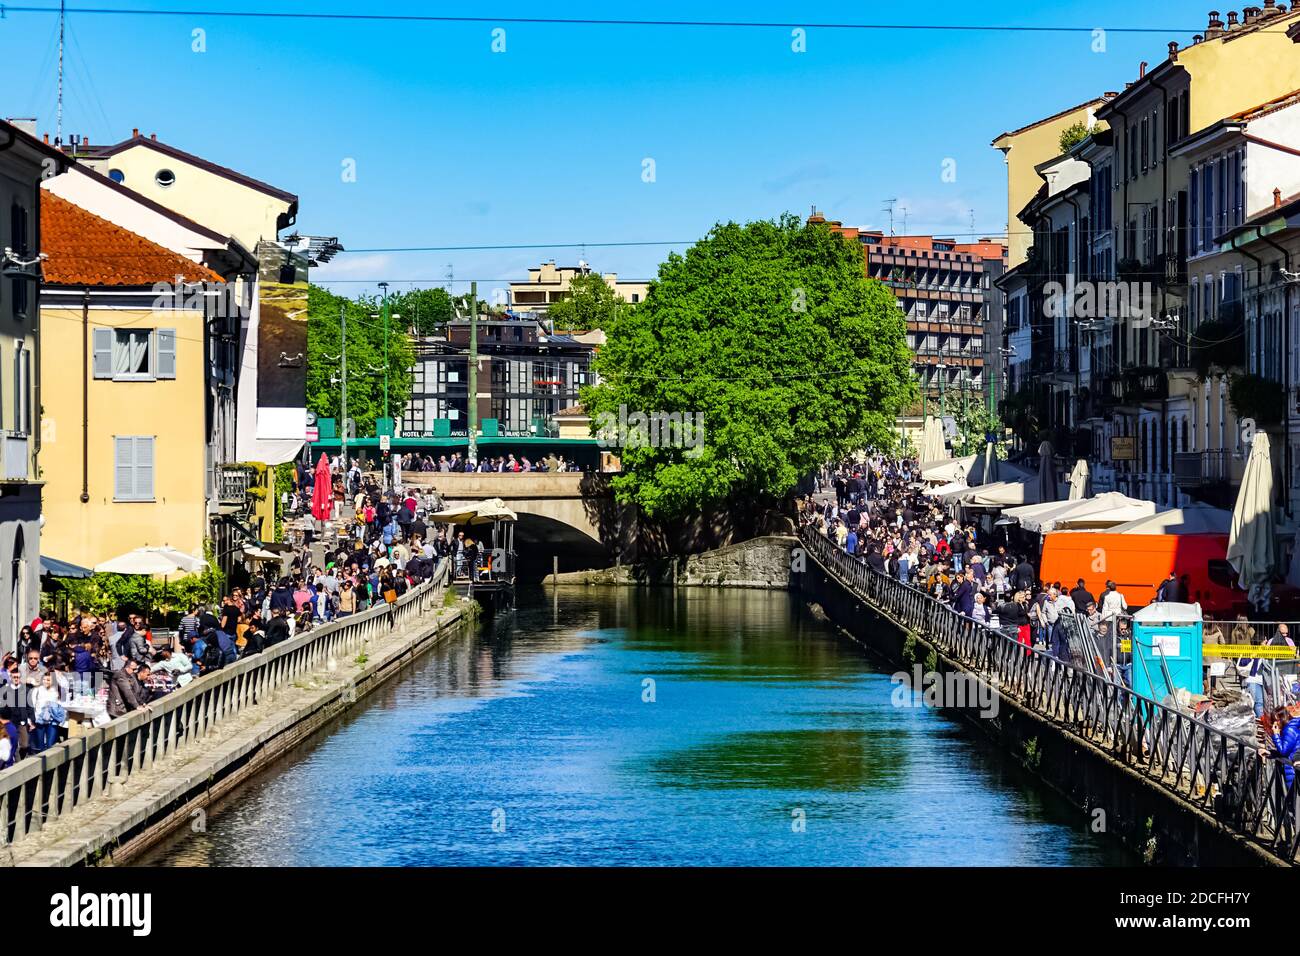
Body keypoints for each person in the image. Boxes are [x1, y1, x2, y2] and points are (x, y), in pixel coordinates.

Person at [30, 671, 61, 752]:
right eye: (44, 679)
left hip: (52, 721)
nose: (45, 681)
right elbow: (32, 705)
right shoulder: (37, 690)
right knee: (40, 747)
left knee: (50, 745)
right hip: (40, 720)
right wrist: (32, 720)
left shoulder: (56, 691)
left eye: (48, 680)